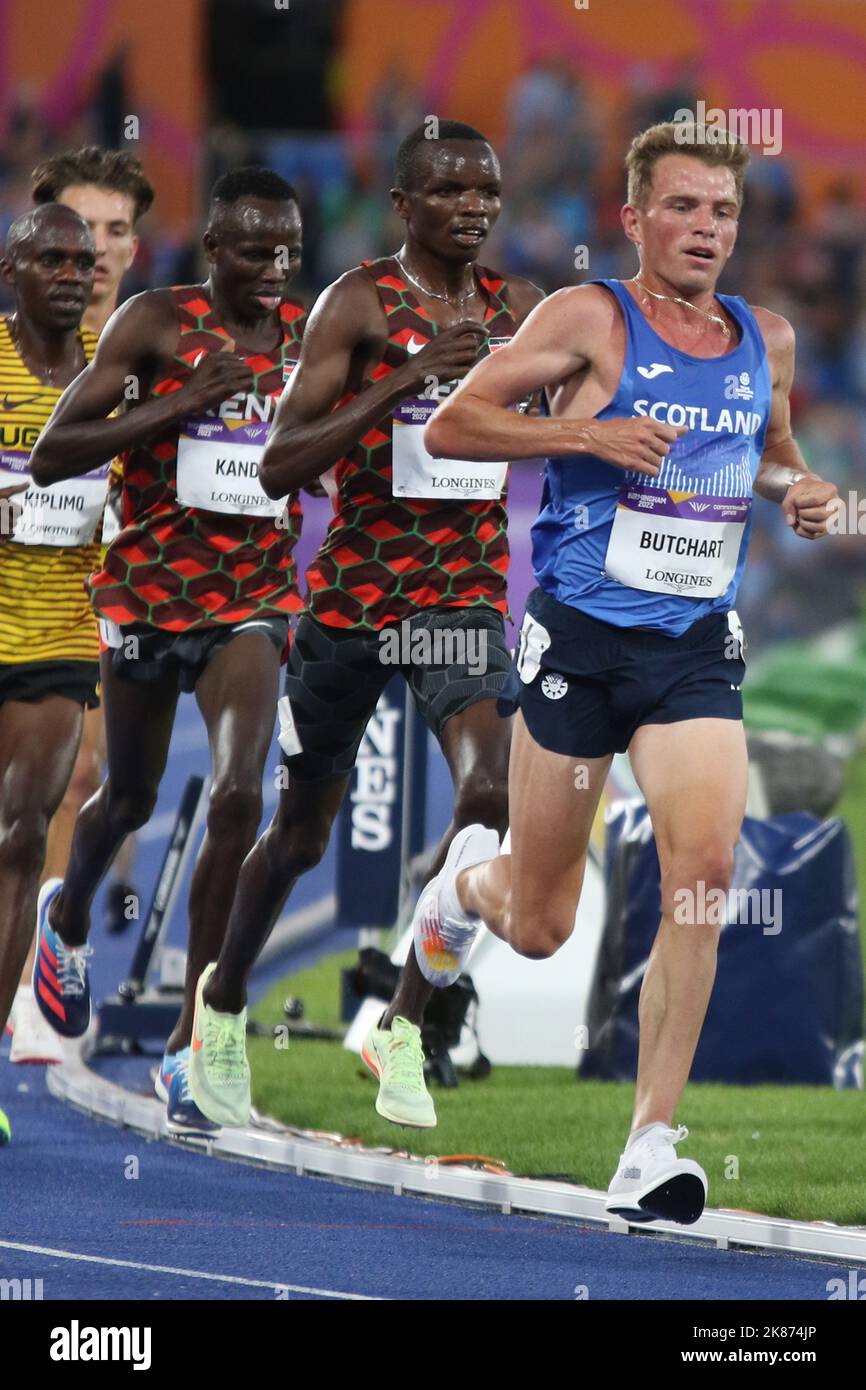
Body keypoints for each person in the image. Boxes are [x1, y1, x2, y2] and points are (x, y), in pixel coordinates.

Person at [399, 122, 837, 1225]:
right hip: (579, 642)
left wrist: (796, 486)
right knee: (537, 919)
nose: (704, 230)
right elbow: (452, 429)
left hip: (692, 643)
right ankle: (461, 888)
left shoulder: (763, 337)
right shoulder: (588, 317)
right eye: (682, 208)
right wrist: (588, 440)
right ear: (633, 219)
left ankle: (648, 1140)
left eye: (722, 212)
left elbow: (768, 447)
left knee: (701, 862)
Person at [187, 121, 543, 1129]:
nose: (471, 206)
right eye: (447, 190)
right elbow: (278, 464)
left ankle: (401, 1018)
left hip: (459, 599)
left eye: (485, 190)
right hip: (350, 608)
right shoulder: (357, 303)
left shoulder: (520, 308)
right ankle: (219, 1003)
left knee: (486, 795)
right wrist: (401, 381)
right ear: (402, 204)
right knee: (299, 832)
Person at [28, 167, 307, 1135]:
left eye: (288, 250)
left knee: (238, 794)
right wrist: (188, 400)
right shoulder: (154, 322)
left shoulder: (311, 336)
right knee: (128, 796)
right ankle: (65, 920)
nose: (273, 266)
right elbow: (62, 448)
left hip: (256, 600)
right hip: (149, 592)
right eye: (254, 249)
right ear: (215, 251)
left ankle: (195, 1041)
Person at [5, 149, 155, 1065]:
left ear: (136, 249)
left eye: (113, 233)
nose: (92, 254)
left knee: (92, 775)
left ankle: (47, 957)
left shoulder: (155, 352)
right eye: (75, 232)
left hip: (106, 594)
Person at [0, 203, 99, 1137]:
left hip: (62, 635)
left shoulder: (118, 362)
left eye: (83, 259)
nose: (72, 271)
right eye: (51, 258)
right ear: (11, 267)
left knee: (22, 838)